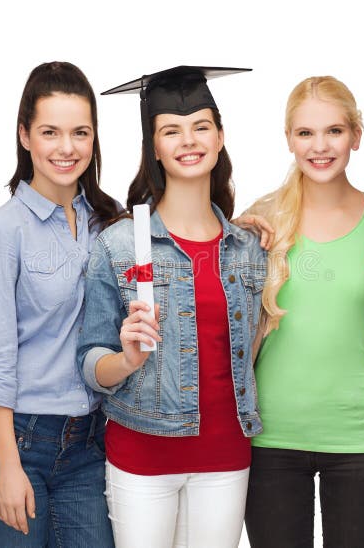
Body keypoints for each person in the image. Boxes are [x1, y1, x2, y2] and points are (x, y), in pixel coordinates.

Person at [77, 66, 266, 548]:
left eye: (201, 126)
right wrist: (127, 358)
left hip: (226, 456)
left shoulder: (247, 246)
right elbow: (89, 364)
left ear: (220, 137)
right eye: (171, 130)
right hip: (142, 456)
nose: (189, 140)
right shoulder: (118, 247)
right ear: (154, 146)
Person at [0, 61, 119, 547]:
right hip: (13, 441)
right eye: (50, 132)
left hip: (88, 443)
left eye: (80, 133)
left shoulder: (107, 226)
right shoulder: (2, 232)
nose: (66, 148)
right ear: (25, 136)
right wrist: (6, 466)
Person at [240, 76, 364, 548]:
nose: (320, 146)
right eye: (305, 133)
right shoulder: (261, 221)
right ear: (289, 138)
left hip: (361, 441)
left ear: (356, 135)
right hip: (270, 441)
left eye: (334, 131)